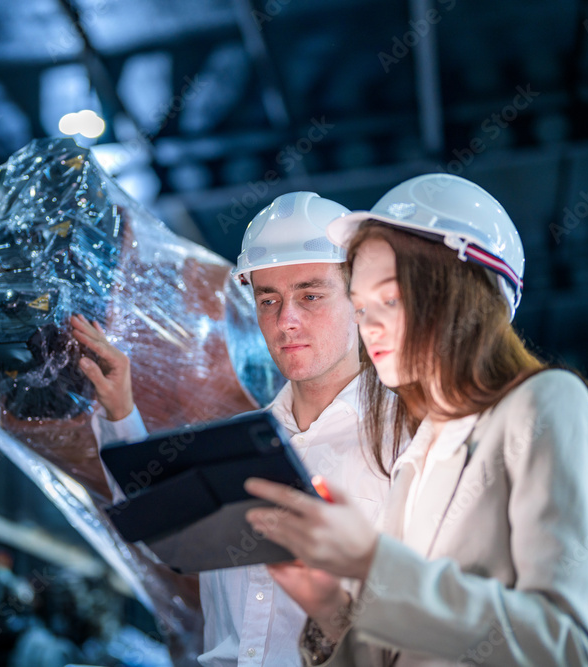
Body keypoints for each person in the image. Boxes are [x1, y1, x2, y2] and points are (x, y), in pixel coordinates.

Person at [243, 174, 588, 666]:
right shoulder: (420, 452)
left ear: (457, 292)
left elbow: (570, 647)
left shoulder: (545, 402)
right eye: (360, 305)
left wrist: (372, 562)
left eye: (390, 300)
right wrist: (330, 605)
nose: (368, 325)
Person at [70, 191, 394, 667]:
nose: (286, 321)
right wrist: (120, 412)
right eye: (269, 299)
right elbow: (164, 531)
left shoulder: (406, 445)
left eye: (310, 295)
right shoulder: (231, 446)